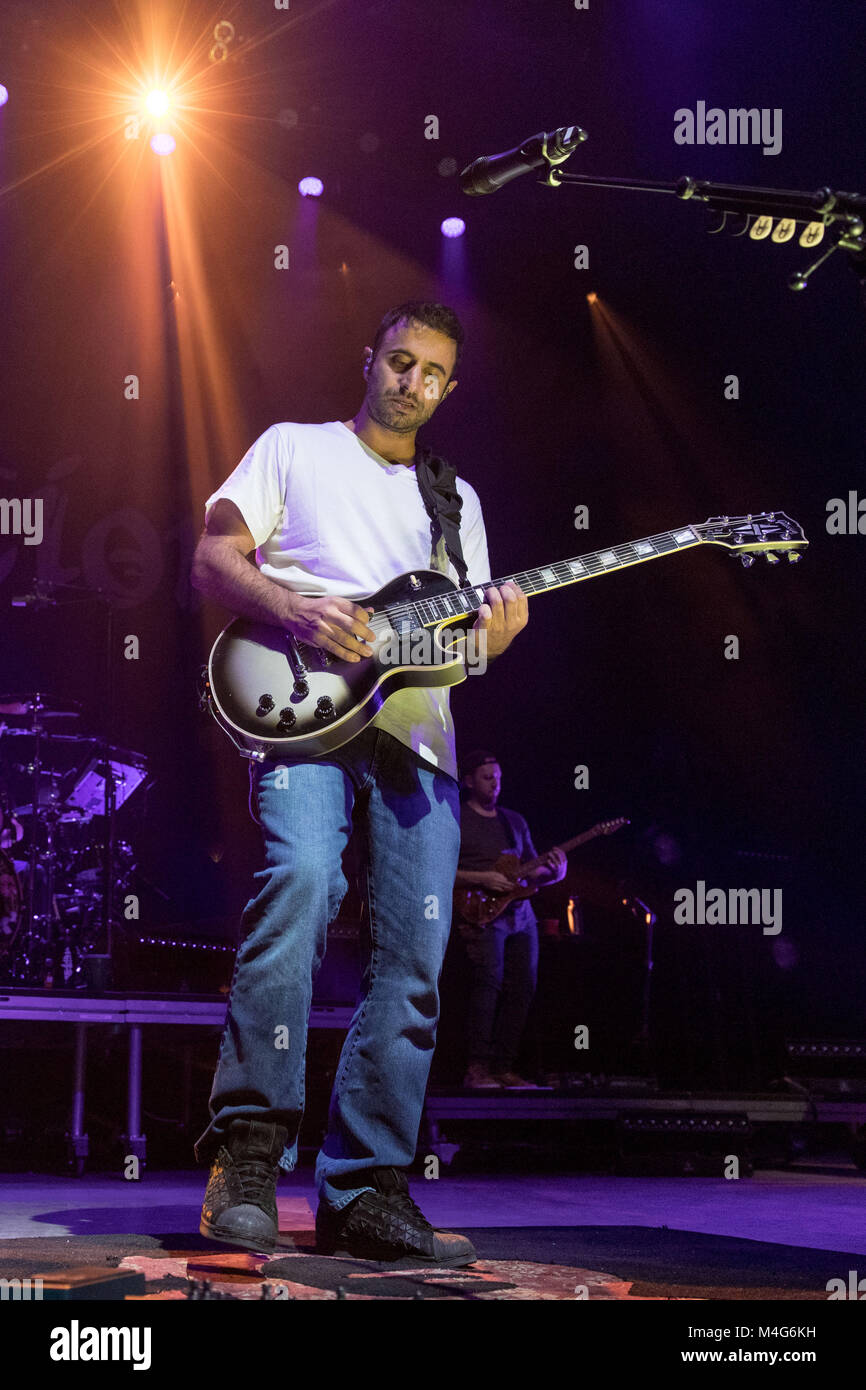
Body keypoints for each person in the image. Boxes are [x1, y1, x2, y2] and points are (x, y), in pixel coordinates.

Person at [191, 301, 528, 1266]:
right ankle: (247, 1157)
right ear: (370, 359)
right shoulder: (292, 448)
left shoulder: (455, 501)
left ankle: (367, 1187)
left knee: (417, 955)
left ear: (449, 389)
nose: (412, 382)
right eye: (400, 361)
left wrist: (496, 639)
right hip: (302, 713)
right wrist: (295, 611)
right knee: (300, 885)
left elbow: (463, 647)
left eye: (433, 373)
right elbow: (214, 556)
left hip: (420, 739)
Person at [454, 751, 567, 1089]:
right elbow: (438, 869)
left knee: (523, 986)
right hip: (481, 913)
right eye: (487, 777)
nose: (495, 784)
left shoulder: (513, 821)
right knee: (488, 985)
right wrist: (483, 878)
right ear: (469, 781)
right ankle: (477, 1069)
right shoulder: (457, 817)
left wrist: (556, 873)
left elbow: (532, 871)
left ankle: (503, 1066)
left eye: (499, 778)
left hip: (520, 915)